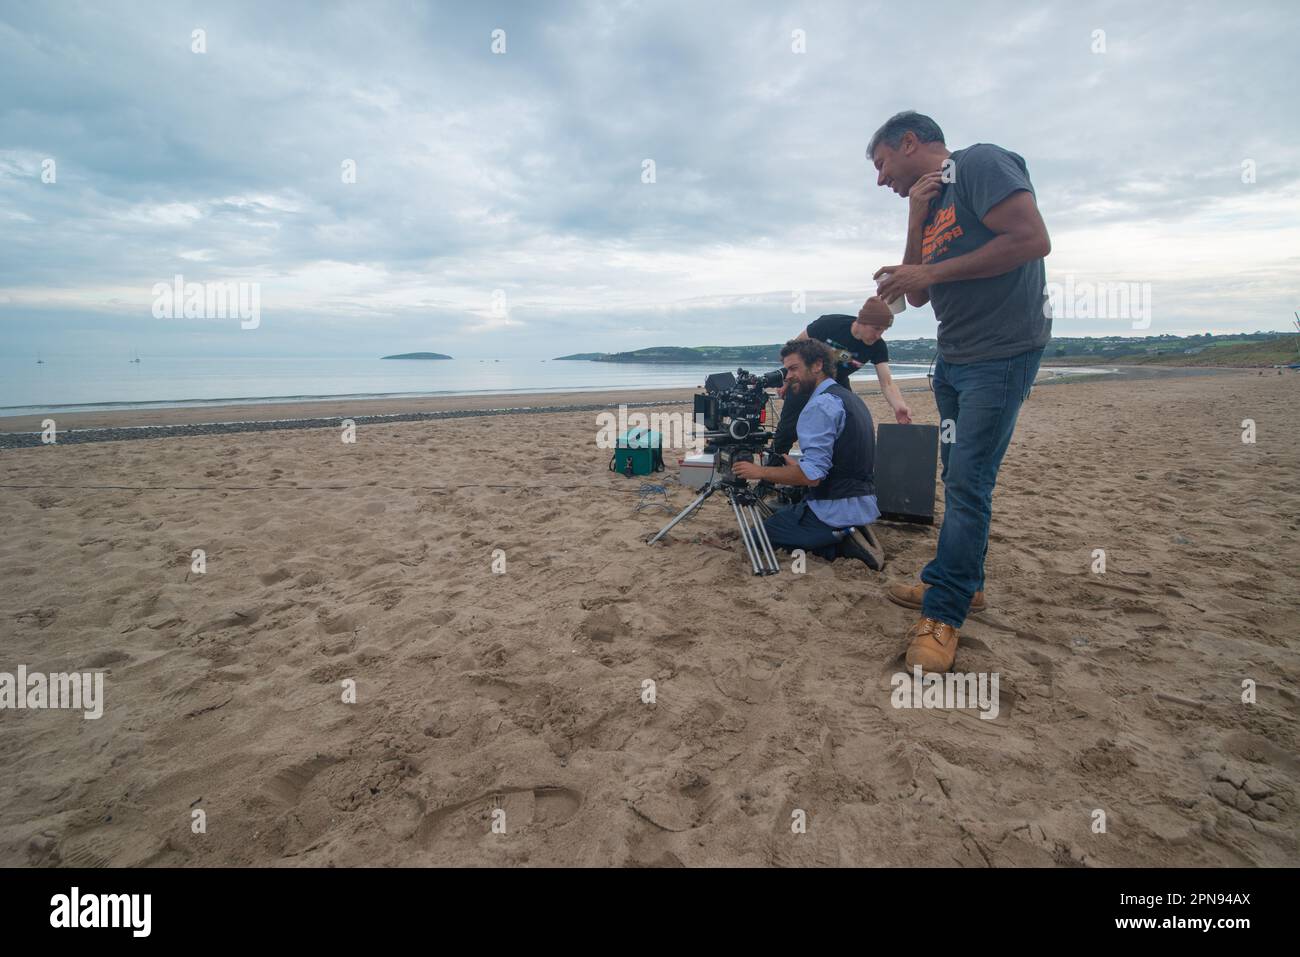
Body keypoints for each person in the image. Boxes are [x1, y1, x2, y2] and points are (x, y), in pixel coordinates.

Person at [866, 110, 1051, 673]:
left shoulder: (979, 164)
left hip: (1000, 354)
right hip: (954, 356)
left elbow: (1032, 239)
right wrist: (917, 214)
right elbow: (915, 292)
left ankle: (944, 613)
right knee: (956, 477)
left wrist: (928, 275)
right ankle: (961, 583)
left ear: (909, 141)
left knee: (969, 483)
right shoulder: (932, 199)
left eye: (881, 164)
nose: (880, 180)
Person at [731, 338, 884, 569]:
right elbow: (842, 457)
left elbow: (812, 477)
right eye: (786, 369)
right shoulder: (848, 398)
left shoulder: (819, 406)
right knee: (781, 511)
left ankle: (839, 543)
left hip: (834, 507)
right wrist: (796, 466)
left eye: (793, 368)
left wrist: (759, 471)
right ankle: (845, 529)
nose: (788, 375)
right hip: (863, 501)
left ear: (817, 365)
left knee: (755, 535)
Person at [771, 296, 911, 458]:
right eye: (877, 328)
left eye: (884, 330)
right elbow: (792, 352)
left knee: (852, 425)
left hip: (836, 383)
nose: (879, 335)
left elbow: (887, 383)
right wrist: (786, 380)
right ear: (862, 321)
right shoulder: (830, 325)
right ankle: (770, 475)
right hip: (806, 380)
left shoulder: (877, 346)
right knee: (787, 431)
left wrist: (898, 406)